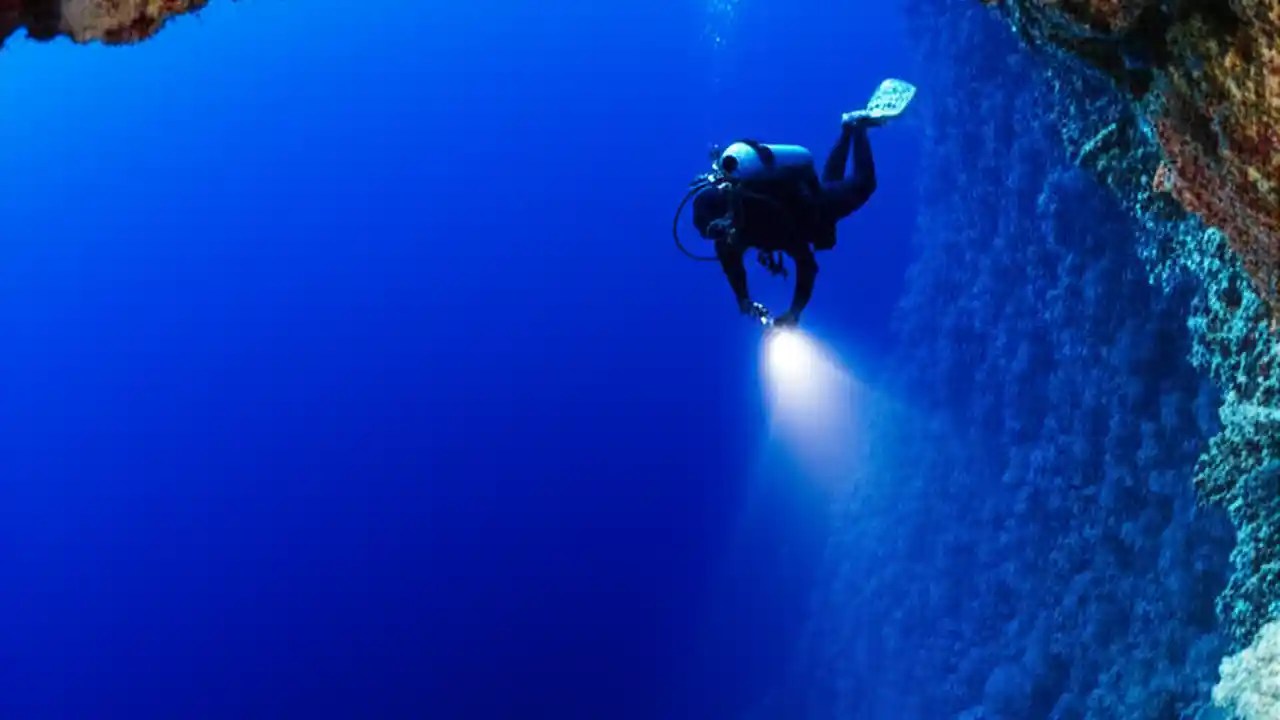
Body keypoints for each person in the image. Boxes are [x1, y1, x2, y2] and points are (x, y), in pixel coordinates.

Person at [691, 111, 882, 327]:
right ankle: (848, 128)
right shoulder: (725, 244)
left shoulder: (765, 216)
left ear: (729, 211)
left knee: (864, 185)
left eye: (721, 227)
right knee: (829, 186)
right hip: (808, 202)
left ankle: (858, 127)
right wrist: (744, 300)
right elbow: (734, 272)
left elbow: (806, 263)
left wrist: (795, 311)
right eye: (714, 233)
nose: (724, 235)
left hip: (812, 207)